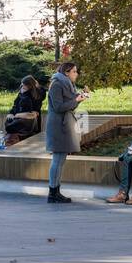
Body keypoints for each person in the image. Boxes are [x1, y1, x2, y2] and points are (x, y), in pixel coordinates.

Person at [44, 61, 89, 204]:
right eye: (74, 71)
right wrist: (76, 99)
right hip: (58, 126)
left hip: (64, 125)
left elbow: (70, 104)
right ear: (66, 72)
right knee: (57, 160)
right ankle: (53, 192)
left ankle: (56, 191)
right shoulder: (57, 84)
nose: (77, 74)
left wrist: (79, 99)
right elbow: (58, 107)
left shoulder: (67, 84)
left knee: (61, 160)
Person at [3, 75, 45, 145]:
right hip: (23, 121)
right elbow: (15, 106)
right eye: (22, 85)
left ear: (29, 85)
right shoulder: (23, 93)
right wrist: (11, 113)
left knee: (28, 141)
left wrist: (16, 115)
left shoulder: (35, 95)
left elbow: (33, 111)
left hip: (28, 122)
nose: (22, 87)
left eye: (24, 85)